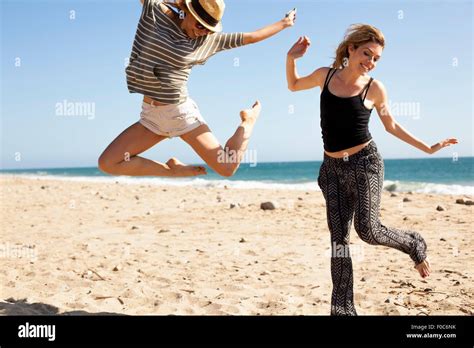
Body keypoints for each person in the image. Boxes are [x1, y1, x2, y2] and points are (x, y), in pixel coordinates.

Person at [286, 24, 458, 315]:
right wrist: (291, 58)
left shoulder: (374, 87)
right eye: (367, 53)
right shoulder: (324, 75)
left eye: (376, 58)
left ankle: (413, 243)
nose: (371, 61)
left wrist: (428, 148)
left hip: (365, 164)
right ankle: (342, 310)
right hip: (331, 170)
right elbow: (293, 85)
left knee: (368, 230)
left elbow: (391, 126)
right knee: (339, 242)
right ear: (351, 49)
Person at [99, 0, 296, 178]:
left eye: (209, 28)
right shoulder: (157, 12)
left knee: (227, 168)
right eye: (200, 24)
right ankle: (172, 171)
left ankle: (248, 122)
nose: (203, 31)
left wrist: (284, 23)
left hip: (180, 115)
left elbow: (252, 37)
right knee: (108, 163)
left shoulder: (209, 41)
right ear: (188, 11)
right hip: (151, 117)